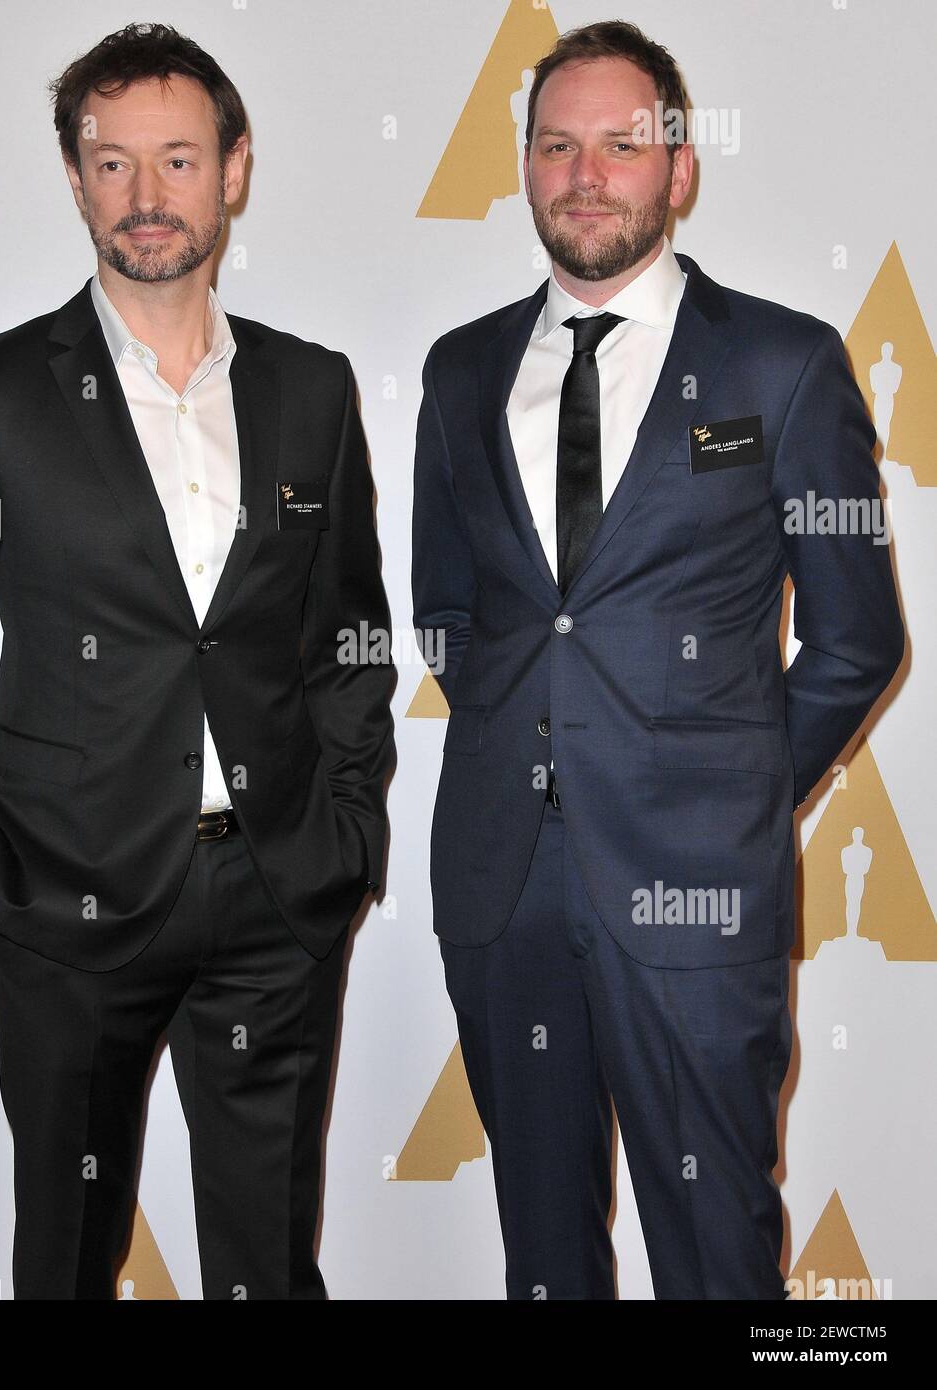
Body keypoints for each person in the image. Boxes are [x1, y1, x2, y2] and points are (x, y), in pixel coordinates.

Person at [0, 21, 394, 1300]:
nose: (146, 198)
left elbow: (349, 638)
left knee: (268, 1264)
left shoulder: (310, 391)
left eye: (176, 160)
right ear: (73, 176)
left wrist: (345, 833)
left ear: (235, 170)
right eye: (113, 165)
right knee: (63, 1263)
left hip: (274, 900)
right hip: (68, 901)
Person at [411, 20, 903, 1299]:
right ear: (522, 167)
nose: (586, 173)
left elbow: (857, 638)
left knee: (715, 1245)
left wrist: (725, 792)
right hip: (500, 881)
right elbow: (447, 610)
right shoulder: (459, 371)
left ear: (678, 170)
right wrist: (544, 747)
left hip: (698, 888)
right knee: (541, 1247)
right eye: (556, 145)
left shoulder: (779, 364)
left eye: (621, 145)